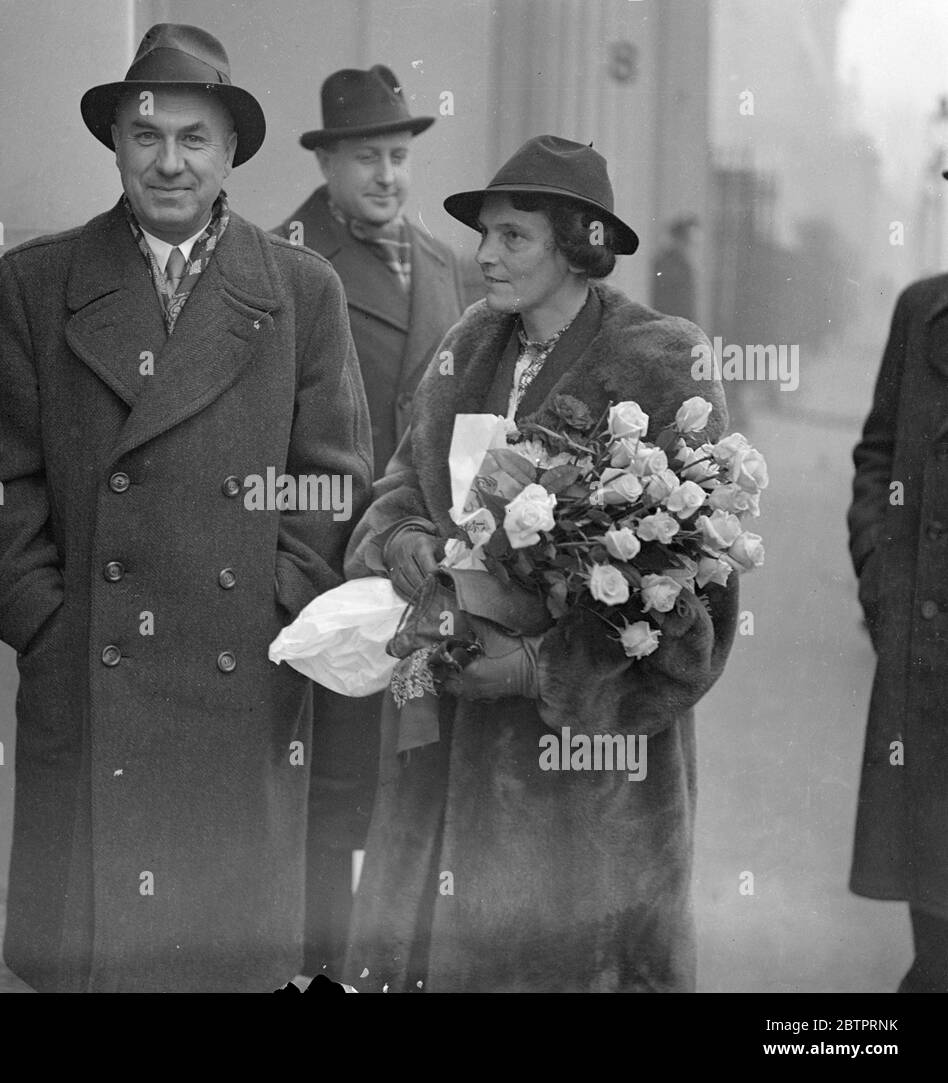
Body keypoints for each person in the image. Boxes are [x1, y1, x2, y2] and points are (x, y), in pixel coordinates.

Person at [0, 23, 372, 993]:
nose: (169, 162)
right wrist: (55, 628)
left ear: (229, 153)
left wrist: (276, 616)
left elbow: (332, 484)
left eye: (193, 139)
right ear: (116, 146)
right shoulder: (35, 285)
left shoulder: (302, 291)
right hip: (93, 684)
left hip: (242, 684)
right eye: (147, 137)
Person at [341, 135, 739, 992]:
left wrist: (531, 669)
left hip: (589, 792)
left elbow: (697, 623)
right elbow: (395, 496)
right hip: (448, 753)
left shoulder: (661, 361)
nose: (485, 254)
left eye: (513, 236)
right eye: (484, 232)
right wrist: (416, 556)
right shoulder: (469, 346)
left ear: (579, 243)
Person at [272, 64, 469, 978]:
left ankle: (389, 966)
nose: (387, 176)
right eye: (366, 158)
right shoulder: (284, 256)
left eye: (398, 155)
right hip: (321, 564)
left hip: (415, 564)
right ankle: (317, 971)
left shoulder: (445, 263)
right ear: (329, 162)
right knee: (326, 786)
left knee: (407, 774)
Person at [847, 186, 948, 992]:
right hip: (929, 665)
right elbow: (877, 454)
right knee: (938, 932)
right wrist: (882, 576)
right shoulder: (923, 314)